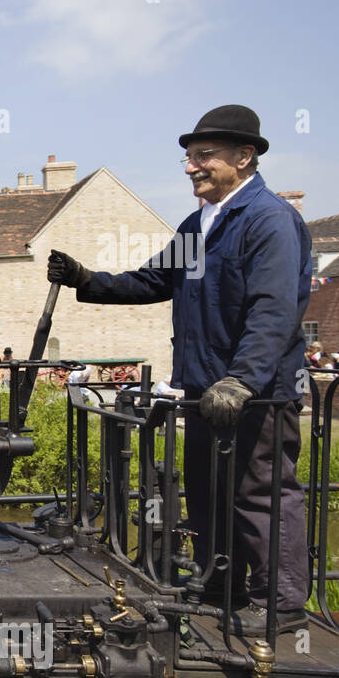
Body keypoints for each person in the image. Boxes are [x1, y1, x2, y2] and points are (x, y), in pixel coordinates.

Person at [47, 105, 311, 636]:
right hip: (203, 390)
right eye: (189, 158)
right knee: (209, 490)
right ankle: (224, 580)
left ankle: (281, 602)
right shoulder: (200, 224)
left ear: (245, 157)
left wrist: (242, 380)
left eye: (204, 156)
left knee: (261, 493)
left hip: (255, 395)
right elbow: (153, 280)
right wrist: (87, 280)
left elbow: (274, 309)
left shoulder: (269, 220)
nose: (192, 167)